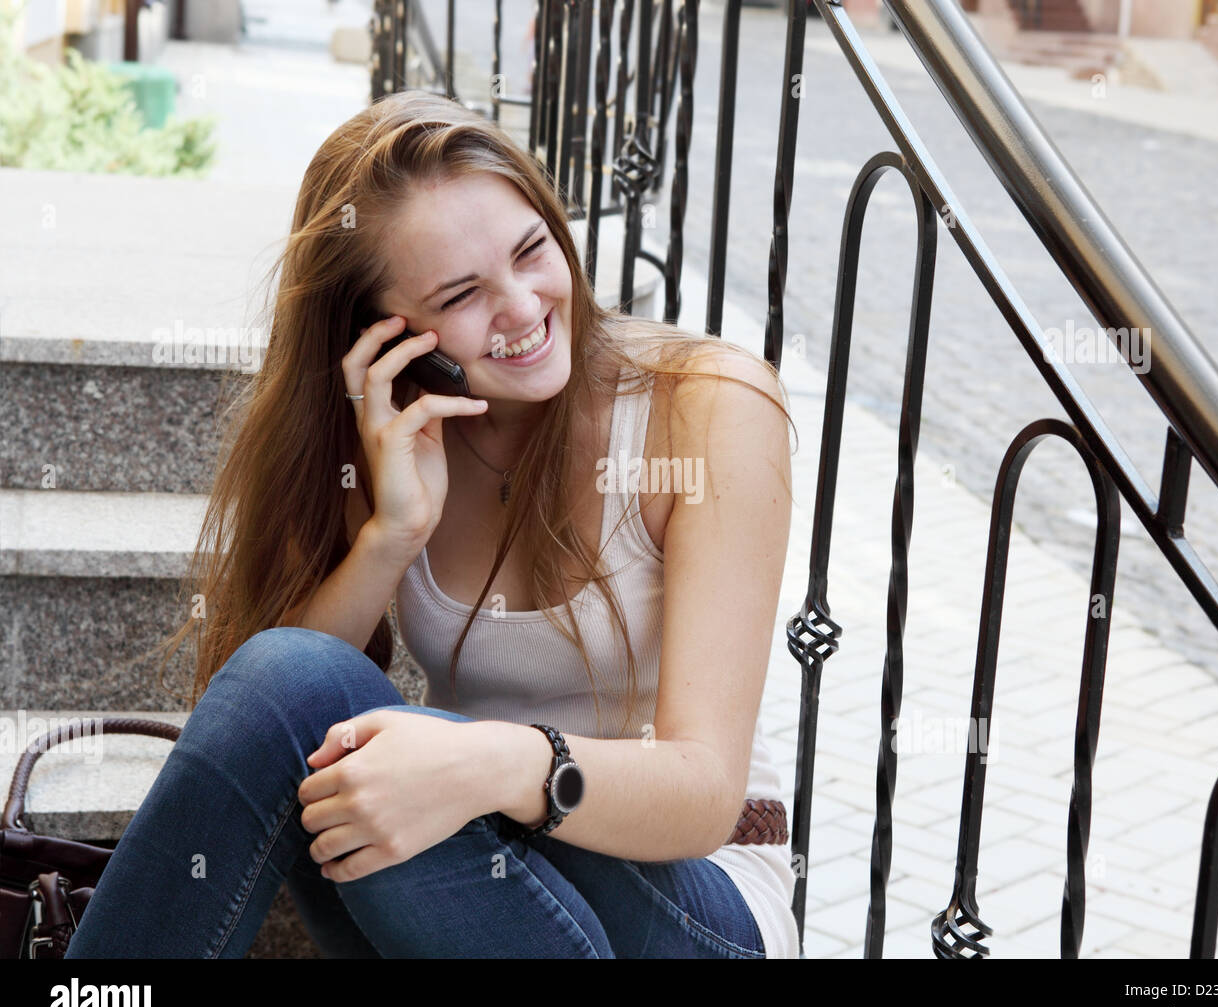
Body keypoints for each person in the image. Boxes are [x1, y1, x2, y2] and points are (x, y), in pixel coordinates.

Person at [65, 90, 800, 959]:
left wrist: (486, 763)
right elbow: (264, 722)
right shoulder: (395, 435)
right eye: (463, 294)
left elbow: (704, 791)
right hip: (483, 888)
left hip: (691, 899)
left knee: (383, 754)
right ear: (389, 333)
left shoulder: (706, 408)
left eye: (532, 251)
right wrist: (392, 536)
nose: (524, 308)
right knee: (295, 680)